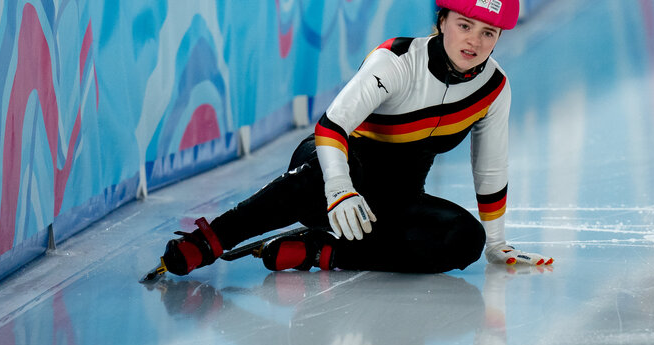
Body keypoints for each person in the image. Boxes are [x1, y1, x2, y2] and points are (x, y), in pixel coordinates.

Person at [157, 0, 553, 276]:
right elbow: (331, 126)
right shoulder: (397, 61)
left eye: (489, 33)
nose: (475, 42)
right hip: (328, 175)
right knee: (333, 171)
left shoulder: (495, 87)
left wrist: (496, 242)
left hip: (389, 201)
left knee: (465, 239)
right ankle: (210, 239)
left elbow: (490, 166)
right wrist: (340, 189)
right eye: (465, 26)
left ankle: (321, 250)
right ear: (442, 19)